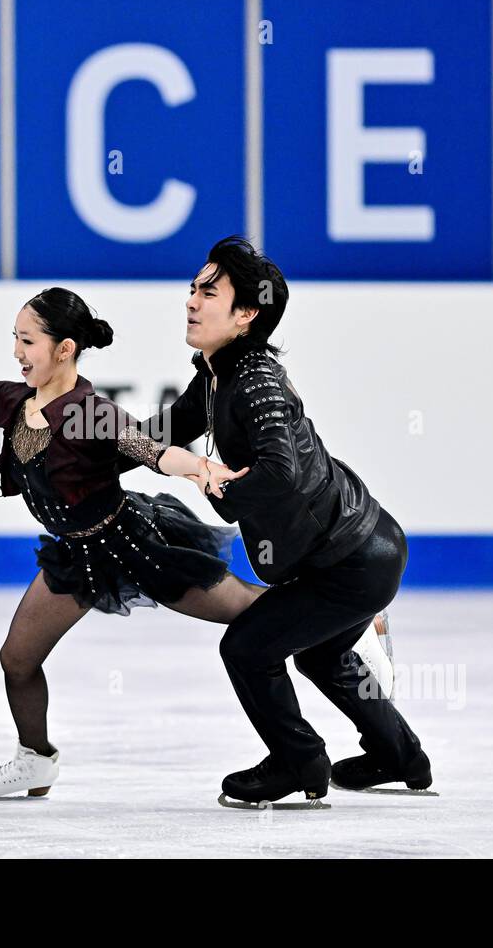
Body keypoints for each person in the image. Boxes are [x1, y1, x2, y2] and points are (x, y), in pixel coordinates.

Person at [0, 283, 274, 799]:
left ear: (65, 348)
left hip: (133, 544)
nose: (17, 351)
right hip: (76, 554)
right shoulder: (12, 401)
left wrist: (198, 468)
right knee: (17, 658)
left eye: (29, 341)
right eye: (14, 338)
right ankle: (34, 759)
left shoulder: (91, 411)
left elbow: (150, 450)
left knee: (246, 611)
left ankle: (343, 618)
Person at [134, 236, 432, 804]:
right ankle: (400, 756)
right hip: (362, 548)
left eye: (209, 291)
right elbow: (168, 431)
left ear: (246, 314)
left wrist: (214, 484)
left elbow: (281, 472)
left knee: (248, 648)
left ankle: (298, 763)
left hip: (352, 563)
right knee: (320, 653)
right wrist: (89, 443)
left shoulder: (255, 380)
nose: (191, 300)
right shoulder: (221, 370)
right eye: (194, 287)